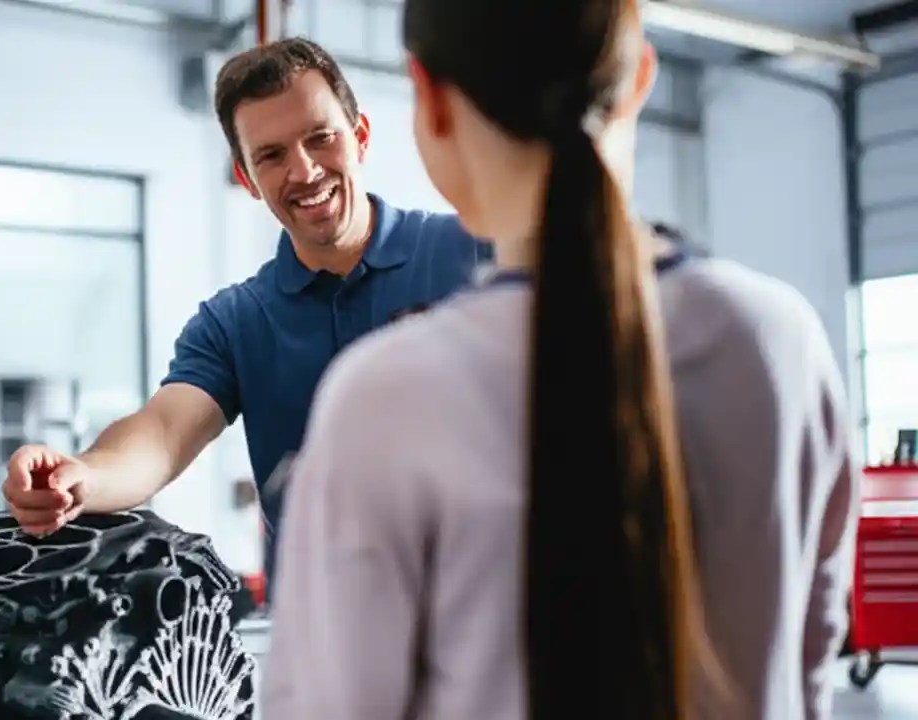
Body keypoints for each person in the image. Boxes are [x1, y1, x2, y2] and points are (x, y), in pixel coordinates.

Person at [261, 1, 858, 719]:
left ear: (432, 103)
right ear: (639, 75)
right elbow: (808, 667)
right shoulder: (778, 340)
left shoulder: (386, 399)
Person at [0, 38, 487, 578]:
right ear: (246, 178)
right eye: (271, 156)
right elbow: (162, 433)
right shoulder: (235, 322)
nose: (303, 172)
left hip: (486, 623)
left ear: (360, 137)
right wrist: (82, 475)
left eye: (320, 138)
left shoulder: (474, 252)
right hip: (319, 640)